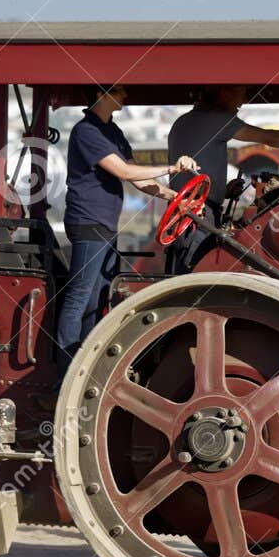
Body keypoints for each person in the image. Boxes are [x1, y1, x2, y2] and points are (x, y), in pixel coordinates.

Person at [57, 84, 198, 367]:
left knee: (97, 296)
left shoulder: (113, 132)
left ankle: (85, 362)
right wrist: (173, 168)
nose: (125, 96)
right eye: (118, 91)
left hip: (104, 224)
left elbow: (138, 178)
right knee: (79, 296)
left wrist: (175, 197)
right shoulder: (87, 131)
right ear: (101, 95)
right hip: (88, 221)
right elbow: (123, 172)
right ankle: (65, 367)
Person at [168, 85, 279, 193]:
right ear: (225, 95)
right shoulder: (218, 119)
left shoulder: (181, 121)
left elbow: (190, 174)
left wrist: (224, 192)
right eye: (242, 94)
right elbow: (270, 138)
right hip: (199, 212)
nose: (244, 100)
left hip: (181, 208)